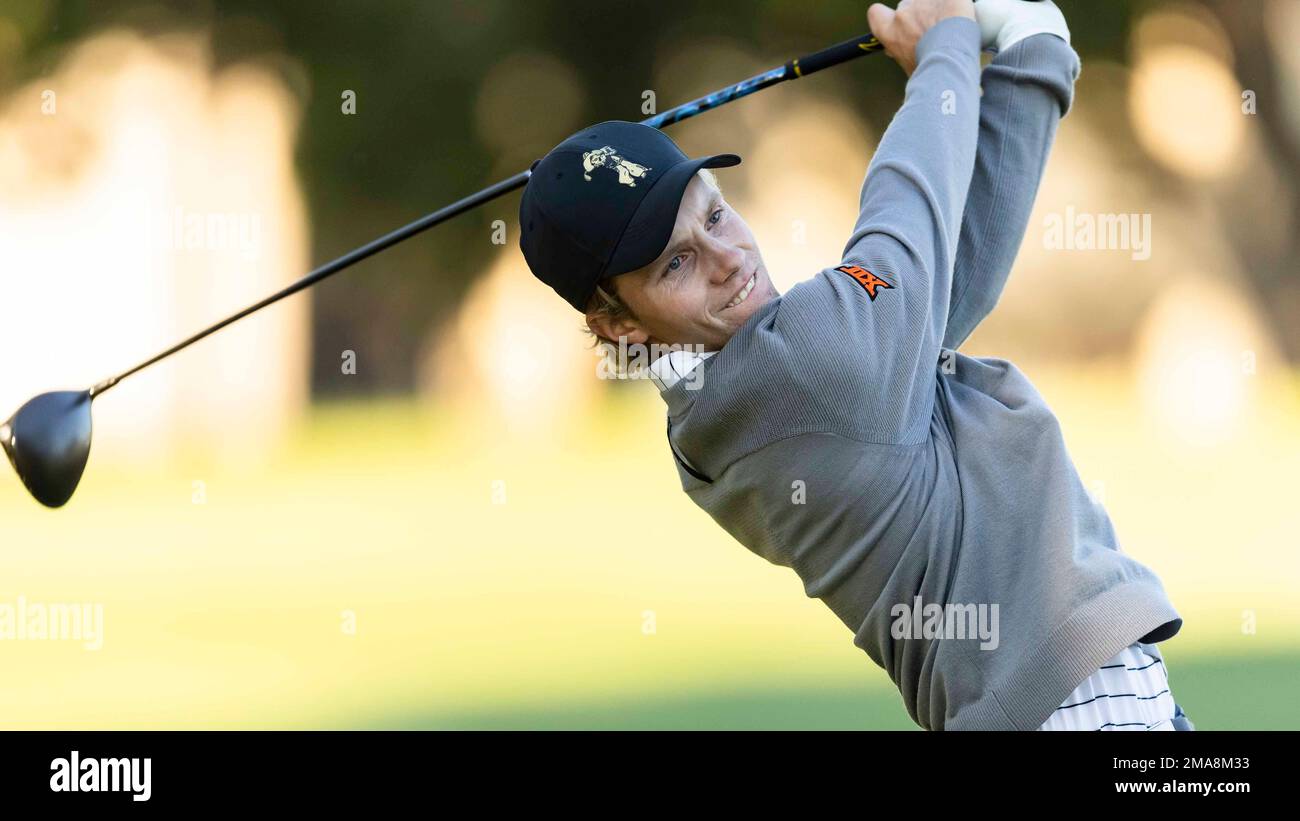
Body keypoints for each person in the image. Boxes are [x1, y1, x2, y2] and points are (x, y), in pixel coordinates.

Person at [518, 0, 1193, 730]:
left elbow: (949, 267)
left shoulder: (727, 400)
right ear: (617, 321)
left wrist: (1032, 55)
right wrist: (946, 48)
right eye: (677, 262)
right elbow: (906, 216)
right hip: (1065, 703)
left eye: (715, 216)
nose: (728, 259)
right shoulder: (803, 369)